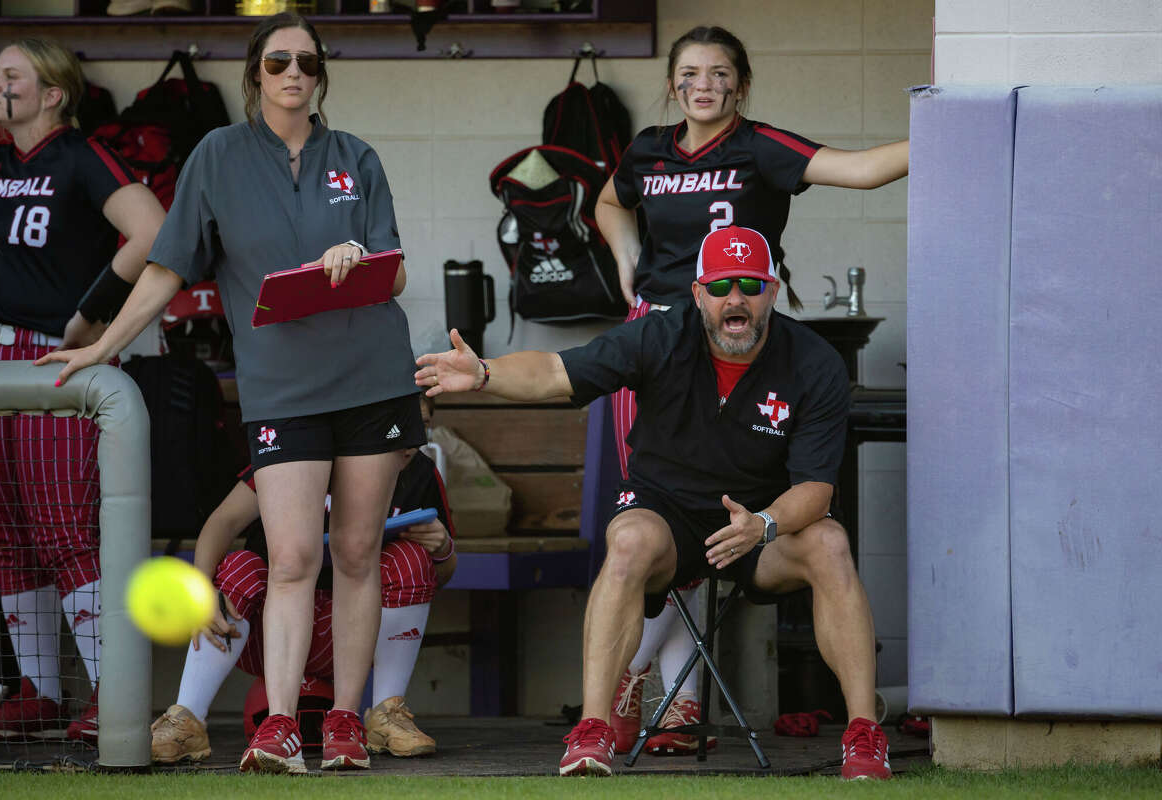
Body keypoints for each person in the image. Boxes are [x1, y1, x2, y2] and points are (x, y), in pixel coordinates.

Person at [39, 13, 421, 773]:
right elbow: (167, 266)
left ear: (320, 75)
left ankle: (346, 720)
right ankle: (280, 724)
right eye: (278, 61)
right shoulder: (216, 154)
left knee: (356, 551)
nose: (294, 74)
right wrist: (104, 345)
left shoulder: (356, 156)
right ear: (255, 73)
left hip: (373, 377)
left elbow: (397, 271)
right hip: (282, 387)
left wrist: (358, 254)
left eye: (307, 62)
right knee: (292, 556)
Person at [417, 225, 892, 780]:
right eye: (720, 286)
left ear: (773, 291)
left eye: (749, 285)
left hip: (761, 527)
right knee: (628, 541)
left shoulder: (813, 361)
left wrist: (764, 523)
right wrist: (485, 373)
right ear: (697, 294)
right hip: (668, 517)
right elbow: (556, 371)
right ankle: (593, 729)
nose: (735, 299)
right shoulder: (659, 335)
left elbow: (816, 489)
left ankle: (865, 733)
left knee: (830, 542)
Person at [594, 25, 910, 753]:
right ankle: (667, 697)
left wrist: (952, 132)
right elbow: (610, 202)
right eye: (689, 73)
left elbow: (862, 170)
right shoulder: (649, 149)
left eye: (719, 73)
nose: (703, 85)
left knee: (714, 504)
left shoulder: (760, 145)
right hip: (659, 343)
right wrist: (628, 259)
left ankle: (657, 688)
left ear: (740, 83)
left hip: (736, 339)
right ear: (672, 84)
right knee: (659, 510)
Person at [0, 37, 165, 743]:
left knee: (66, 526)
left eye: (9, 75)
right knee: (7, 532)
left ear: (52, 93)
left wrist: (91, 317)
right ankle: (40, 690)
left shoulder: (81, 155)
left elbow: (151, 231)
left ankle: (112, 693)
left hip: (54, 358)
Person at [151, 396, 456, 766]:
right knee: (240, 566)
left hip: (353, 636)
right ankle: (187, 718)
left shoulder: (420, 470)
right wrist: (200, 590)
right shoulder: (299, 453)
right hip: (269, 629)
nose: (406, 437)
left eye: (418, 425)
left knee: (411, 558)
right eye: (396, 423)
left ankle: (385, 714)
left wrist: (442, 549)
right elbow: (221, 523)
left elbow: (436, 578)